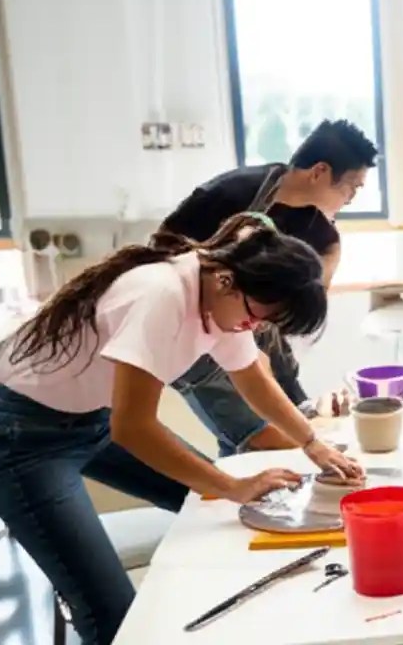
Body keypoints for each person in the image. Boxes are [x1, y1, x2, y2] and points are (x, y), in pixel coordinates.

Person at [0, 213, 360, 644]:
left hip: (91, 423)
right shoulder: (163, 295)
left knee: (221, 509)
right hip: (24, 442)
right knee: (110, 612)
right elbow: (133, 428)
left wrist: (313, 443)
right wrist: (231, 484)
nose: (253, 328)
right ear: (228, 281)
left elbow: (251, 377)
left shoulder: (220, 296)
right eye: (256, 318)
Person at [160, 119, 379, 456]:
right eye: (351, 187)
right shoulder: (230, 193)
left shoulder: (318, 229)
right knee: (256, 436)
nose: (351, 199)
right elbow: (161, 256)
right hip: (191, 333)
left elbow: (298, 313)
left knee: (295, 417)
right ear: (319, 172)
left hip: (252, 335)